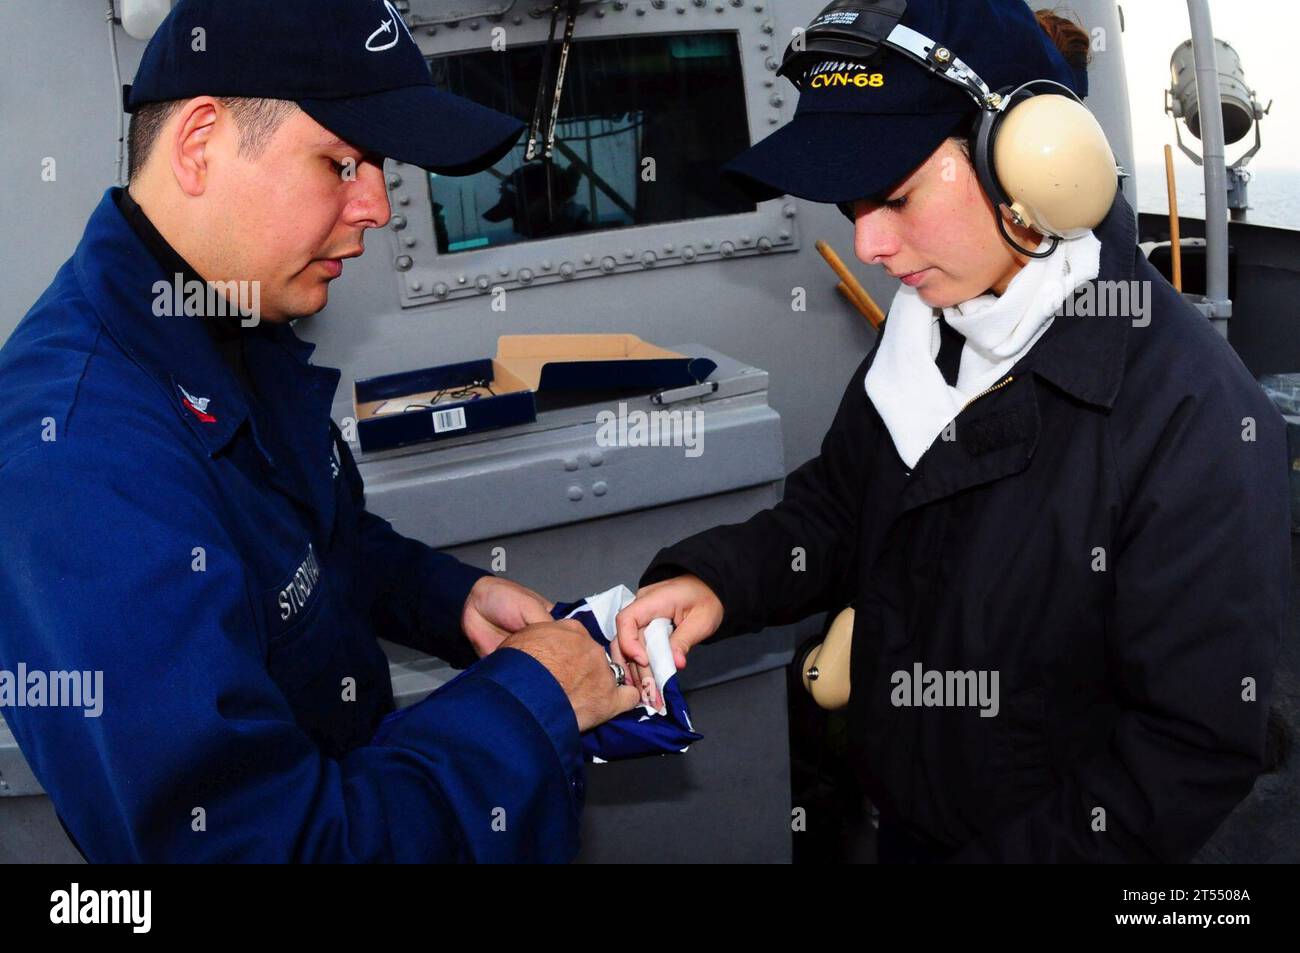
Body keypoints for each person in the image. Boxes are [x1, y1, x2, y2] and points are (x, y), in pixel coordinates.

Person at [616, 0, 1291, 863]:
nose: (867, 244)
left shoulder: (1192, 414)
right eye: (850, 205)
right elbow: (838, 505)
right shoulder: (933, 322)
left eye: (894, 198)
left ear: (1032, 168)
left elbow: (1191, 748)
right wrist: (716, 583)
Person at [0, 0, 640, 863]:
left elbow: (308, 541)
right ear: (199, 146)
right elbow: (262, 846)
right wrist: (531, 703)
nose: (376, 205)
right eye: (341, 161)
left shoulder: (230, 313)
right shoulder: (78, 460)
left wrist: (444, 598)